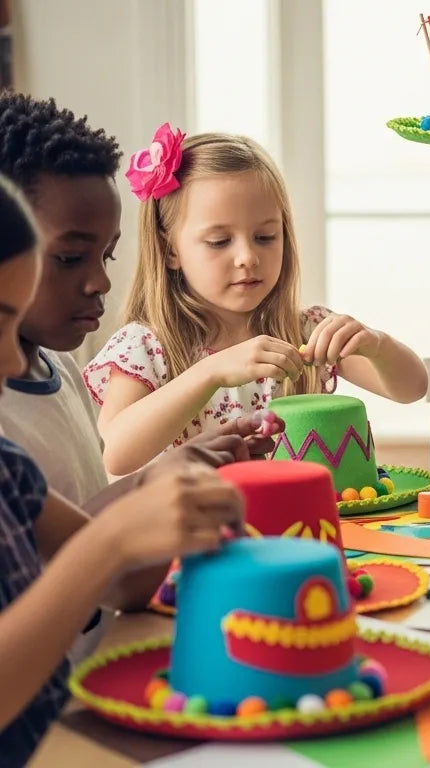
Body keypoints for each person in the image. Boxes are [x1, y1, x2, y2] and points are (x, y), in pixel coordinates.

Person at [0, 173, 245, 764]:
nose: (12, 356)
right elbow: (100, 556)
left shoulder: (9, 469)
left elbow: (120, 586)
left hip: (70, 730)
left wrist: (161, 486)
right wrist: (114, 537)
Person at [84, 127, 428, 476]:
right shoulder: (146, 346)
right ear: (170, 249)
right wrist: (210, 372)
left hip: (298, 525)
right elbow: (116, 454)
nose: (248, 257)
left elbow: (412, 388)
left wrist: (377, 345)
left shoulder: (306, 330)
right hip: (196, 526)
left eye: (265, 236)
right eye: (219, 241)